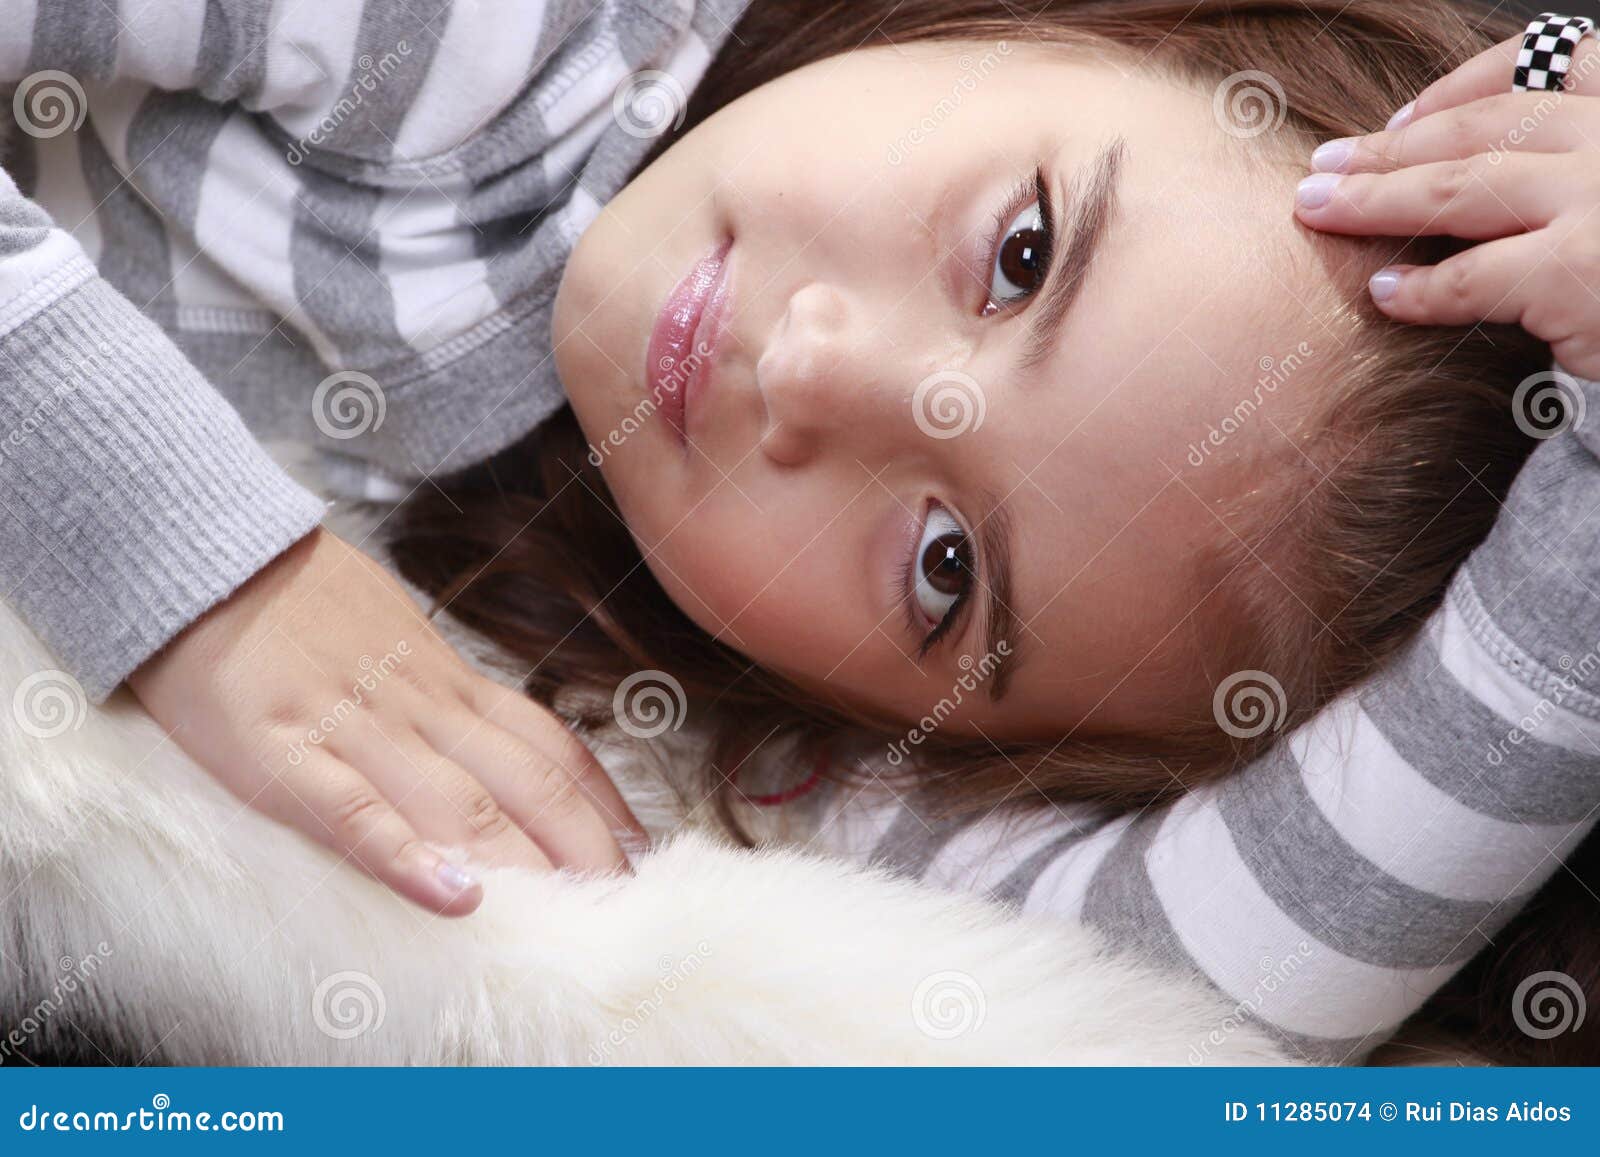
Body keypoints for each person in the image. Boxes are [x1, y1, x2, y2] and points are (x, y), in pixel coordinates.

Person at [0, 0, 1594, 1060]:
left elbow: (1192, 1011)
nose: (818, 366)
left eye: (945, 571)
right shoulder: (500, 41)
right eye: (1022, 252)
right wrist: (203, 574)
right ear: (1101, 22)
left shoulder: (727, 734)